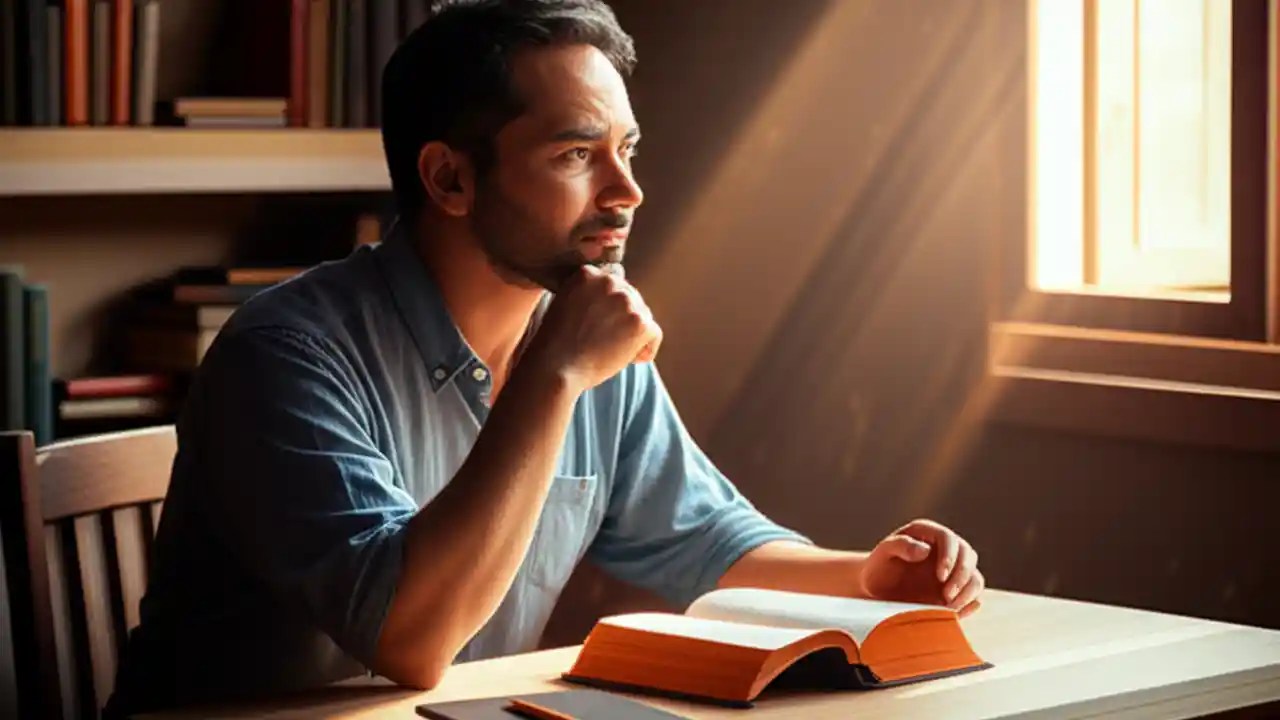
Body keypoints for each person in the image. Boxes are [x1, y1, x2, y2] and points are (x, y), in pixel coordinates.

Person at [107, 0, 984, 714]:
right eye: (575, 154)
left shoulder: (580, 337)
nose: (627, 191)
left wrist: (865, 576)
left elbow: (708, 540)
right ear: (450, 179)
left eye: (626, 150)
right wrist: (555, 376)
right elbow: (409, 642)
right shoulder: (285, 356)